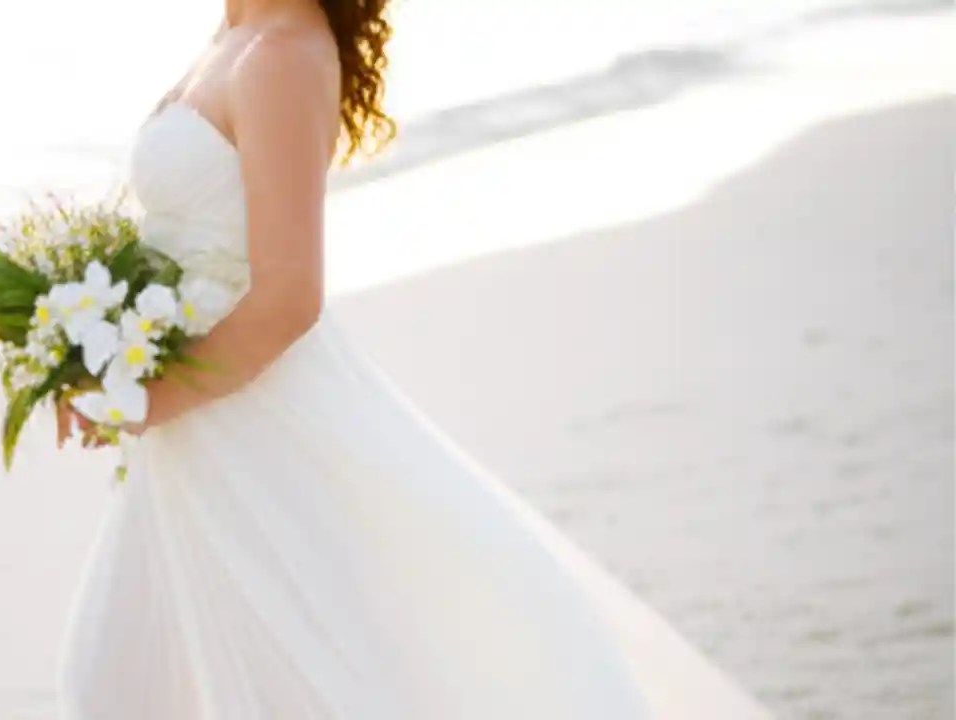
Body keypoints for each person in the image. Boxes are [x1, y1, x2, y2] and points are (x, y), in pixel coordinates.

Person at [56, 1, 772, 717]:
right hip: (193, 427)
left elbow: (288, 298)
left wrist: (140, 400)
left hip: (262, 423)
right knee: (121, 673)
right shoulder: (235, 29)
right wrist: (100, 347)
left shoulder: (282, 52)